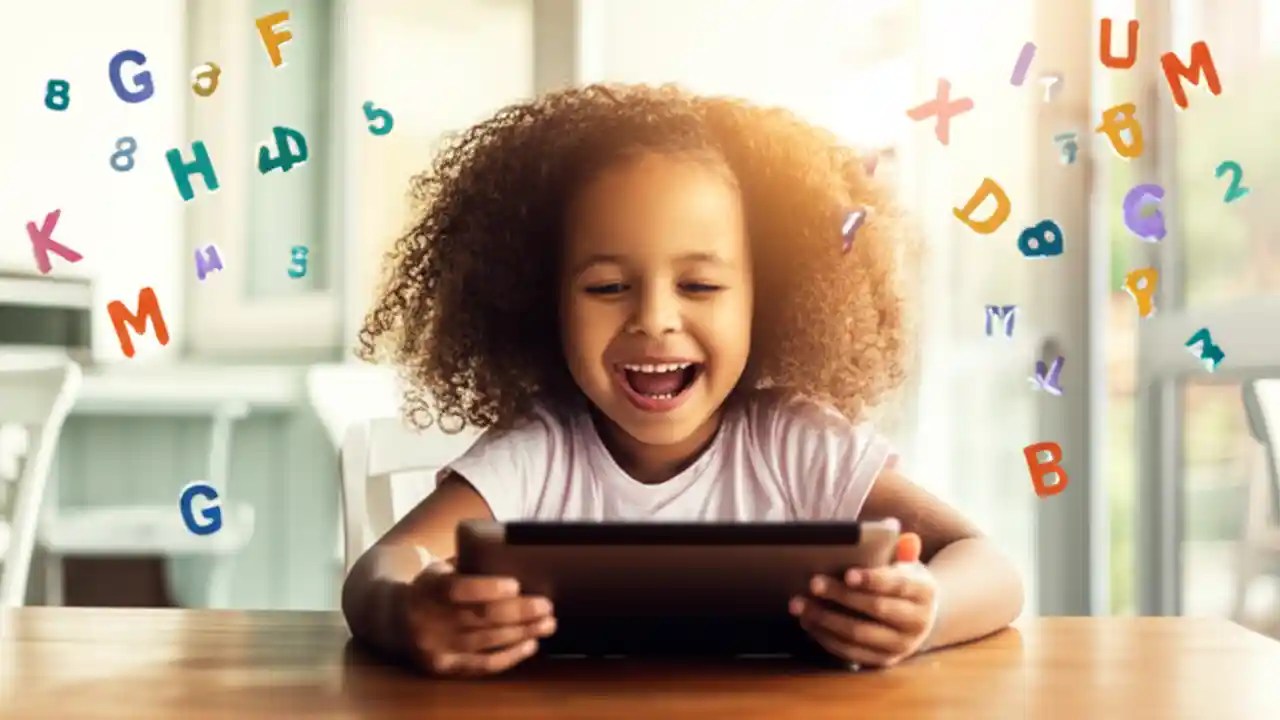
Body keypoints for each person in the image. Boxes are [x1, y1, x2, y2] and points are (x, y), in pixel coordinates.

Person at [343, 83, 1023, 677]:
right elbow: (381, 568)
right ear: (541, 299)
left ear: (772, 298)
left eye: (699, 283)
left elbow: (991, 568)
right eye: (607, 285)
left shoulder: (795, 445)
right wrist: (411, 612)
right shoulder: (540, 450)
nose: (655, 319)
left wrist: (924, 613)